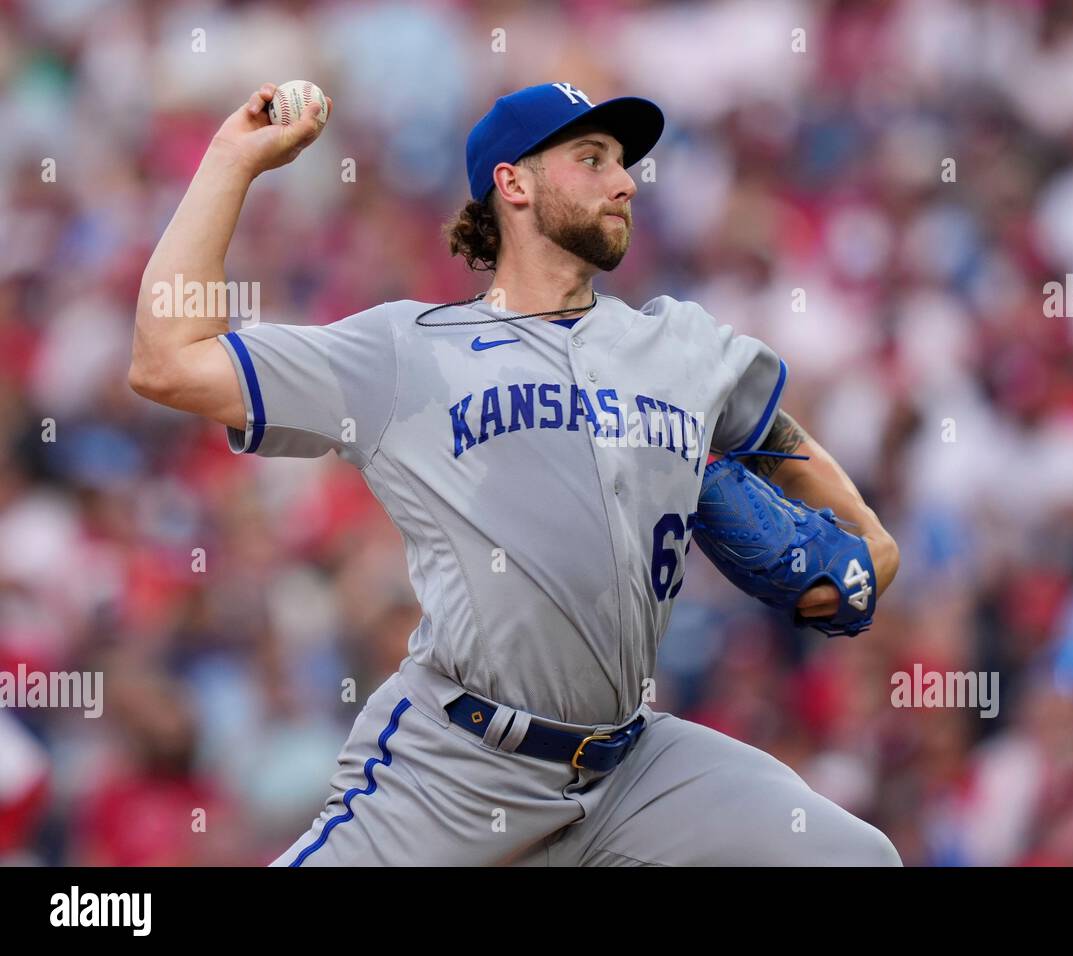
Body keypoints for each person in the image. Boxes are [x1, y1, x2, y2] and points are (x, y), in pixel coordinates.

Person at [128, 80, 902, 866]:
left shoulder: (680, 347)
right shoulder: (406, 352)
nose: (626, 180)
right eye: (592, 158)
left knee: (853, 858)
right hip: (457, 772)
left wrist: (869, 535)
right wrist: (232, 160)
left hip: (633, 768)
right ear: (514, 183)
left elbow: (773, 431)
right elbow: (169, 361)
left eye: (623, 163)